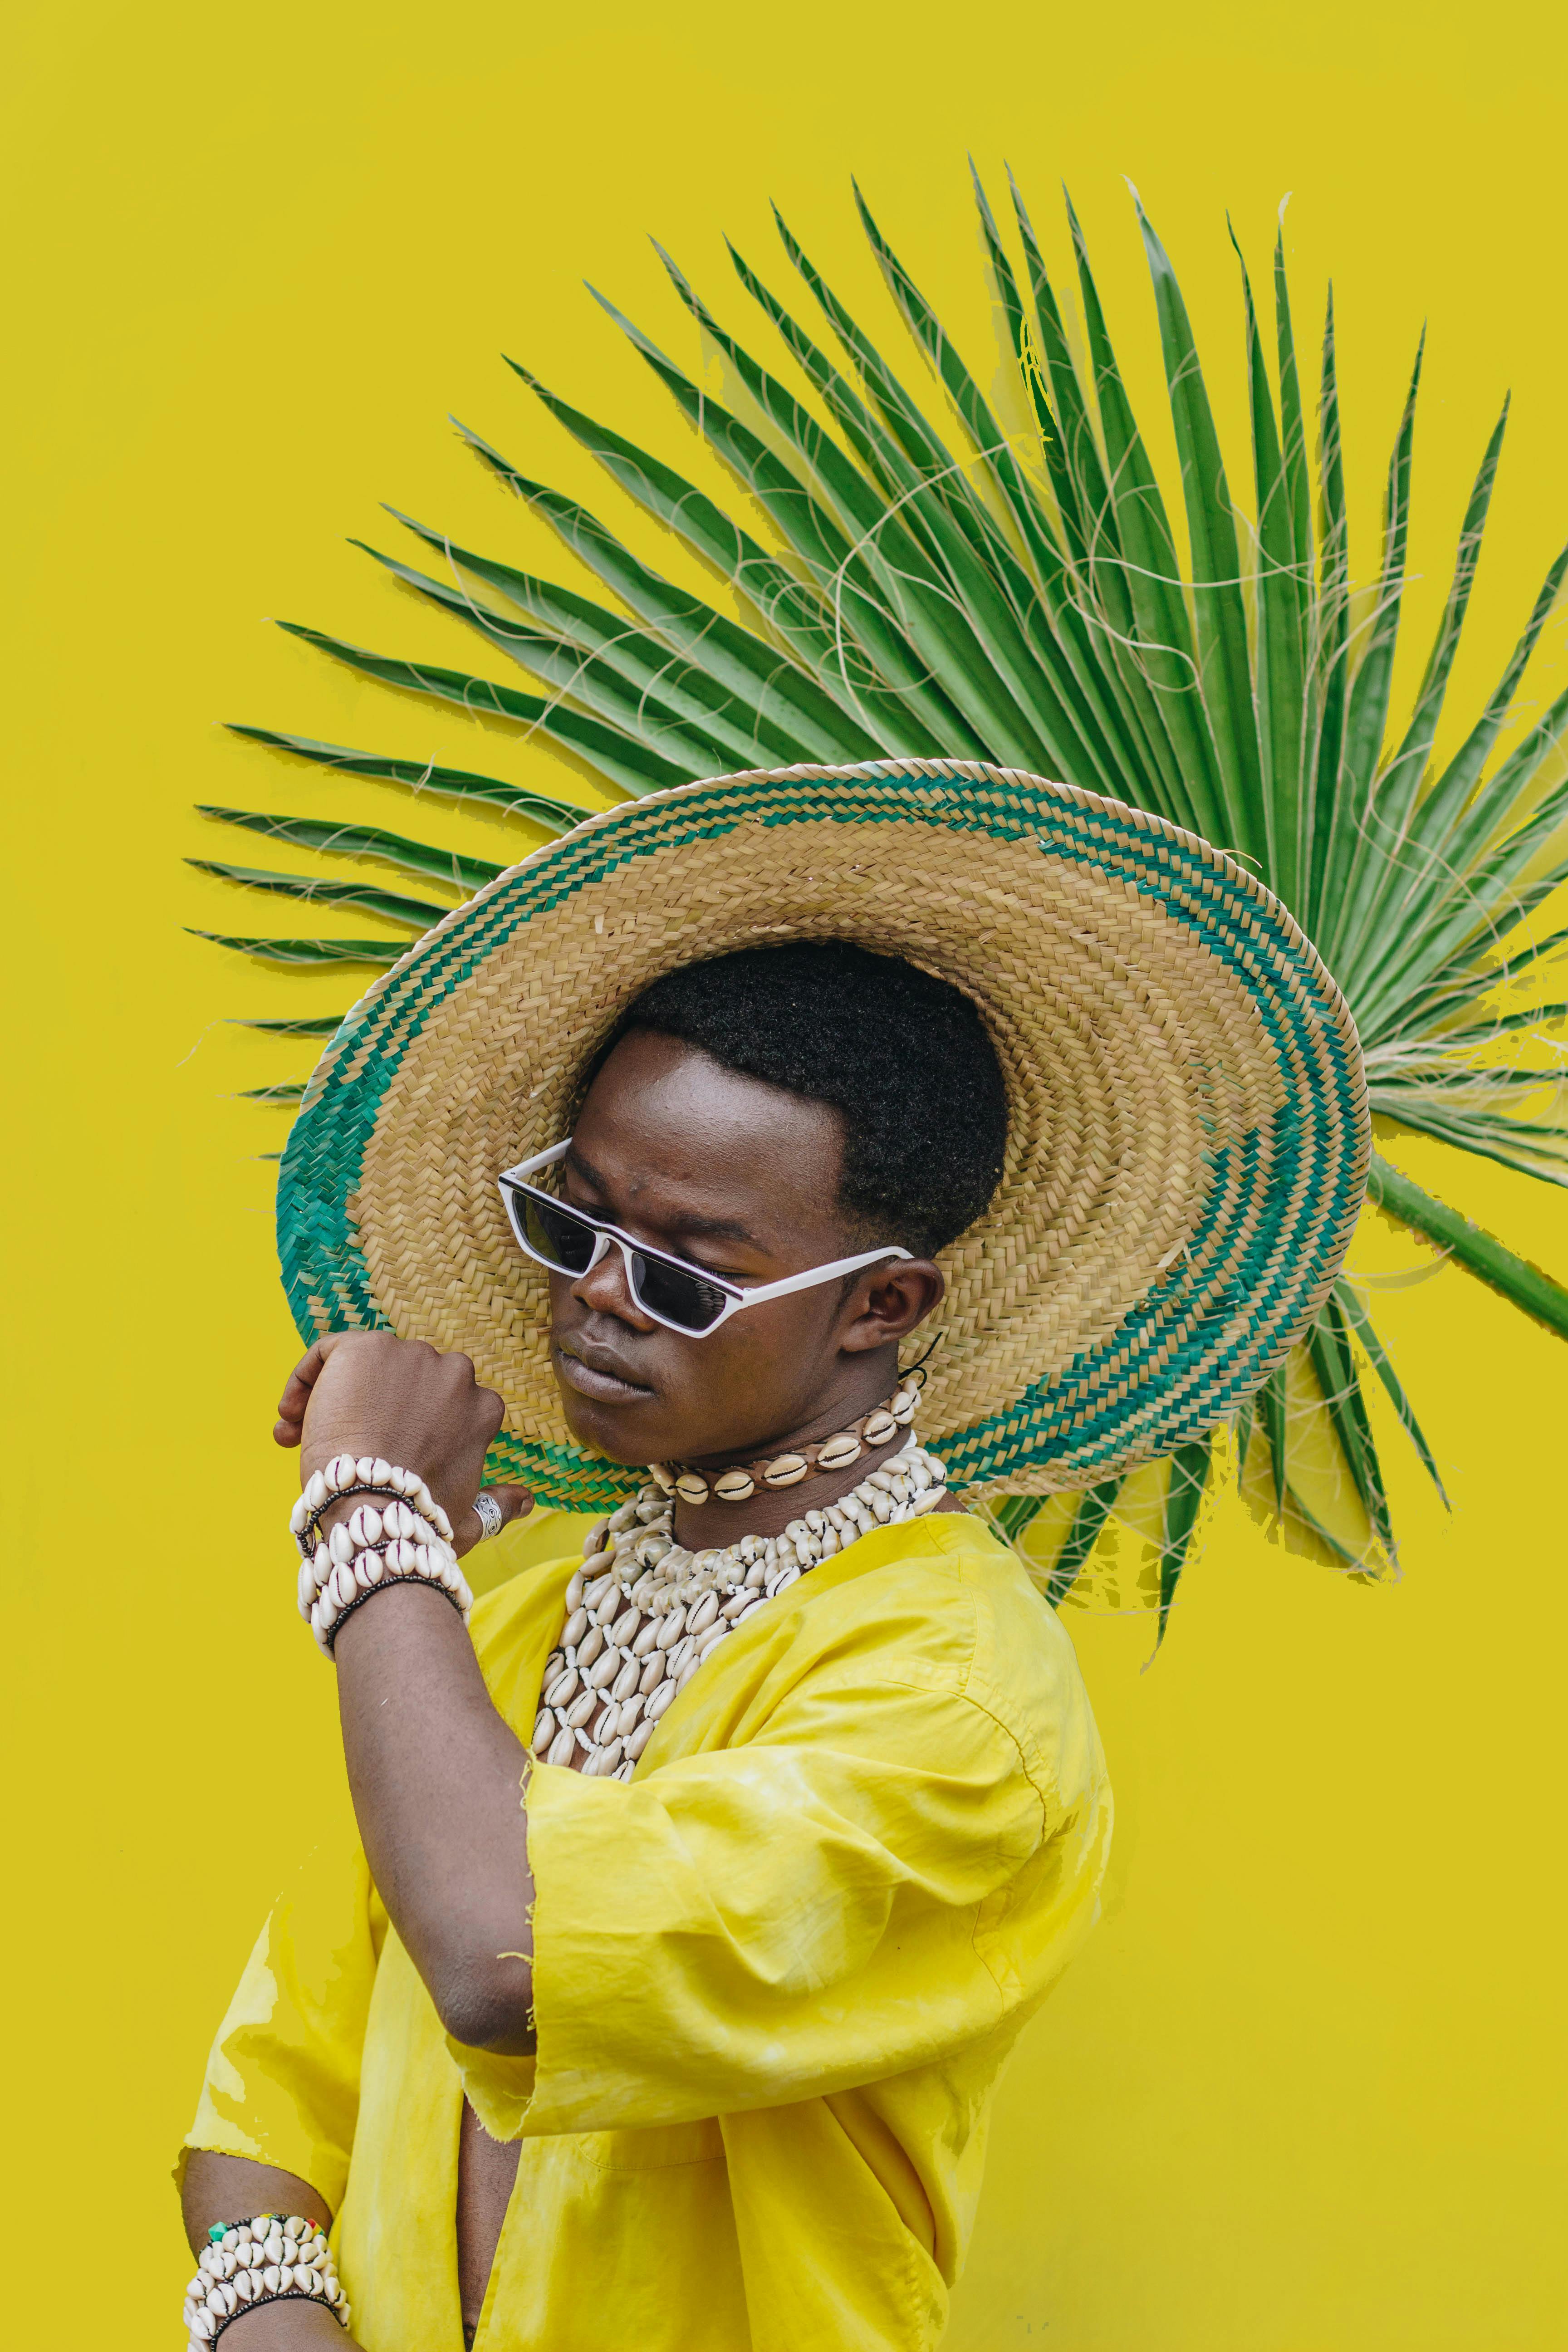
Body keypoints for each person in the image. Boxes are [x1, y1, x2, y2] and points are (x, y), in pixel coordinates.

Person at [177, 762, 1367, 2352]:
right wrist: (269, 2315)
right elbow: (262, 2106)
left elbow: (504, 1962)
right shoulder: (511, 1627)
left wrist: (371, 1522)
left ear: (882, 1306)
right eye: (575, 1224)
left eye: (685, 1272)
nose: (598, 1296)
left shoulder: (959, 1709)